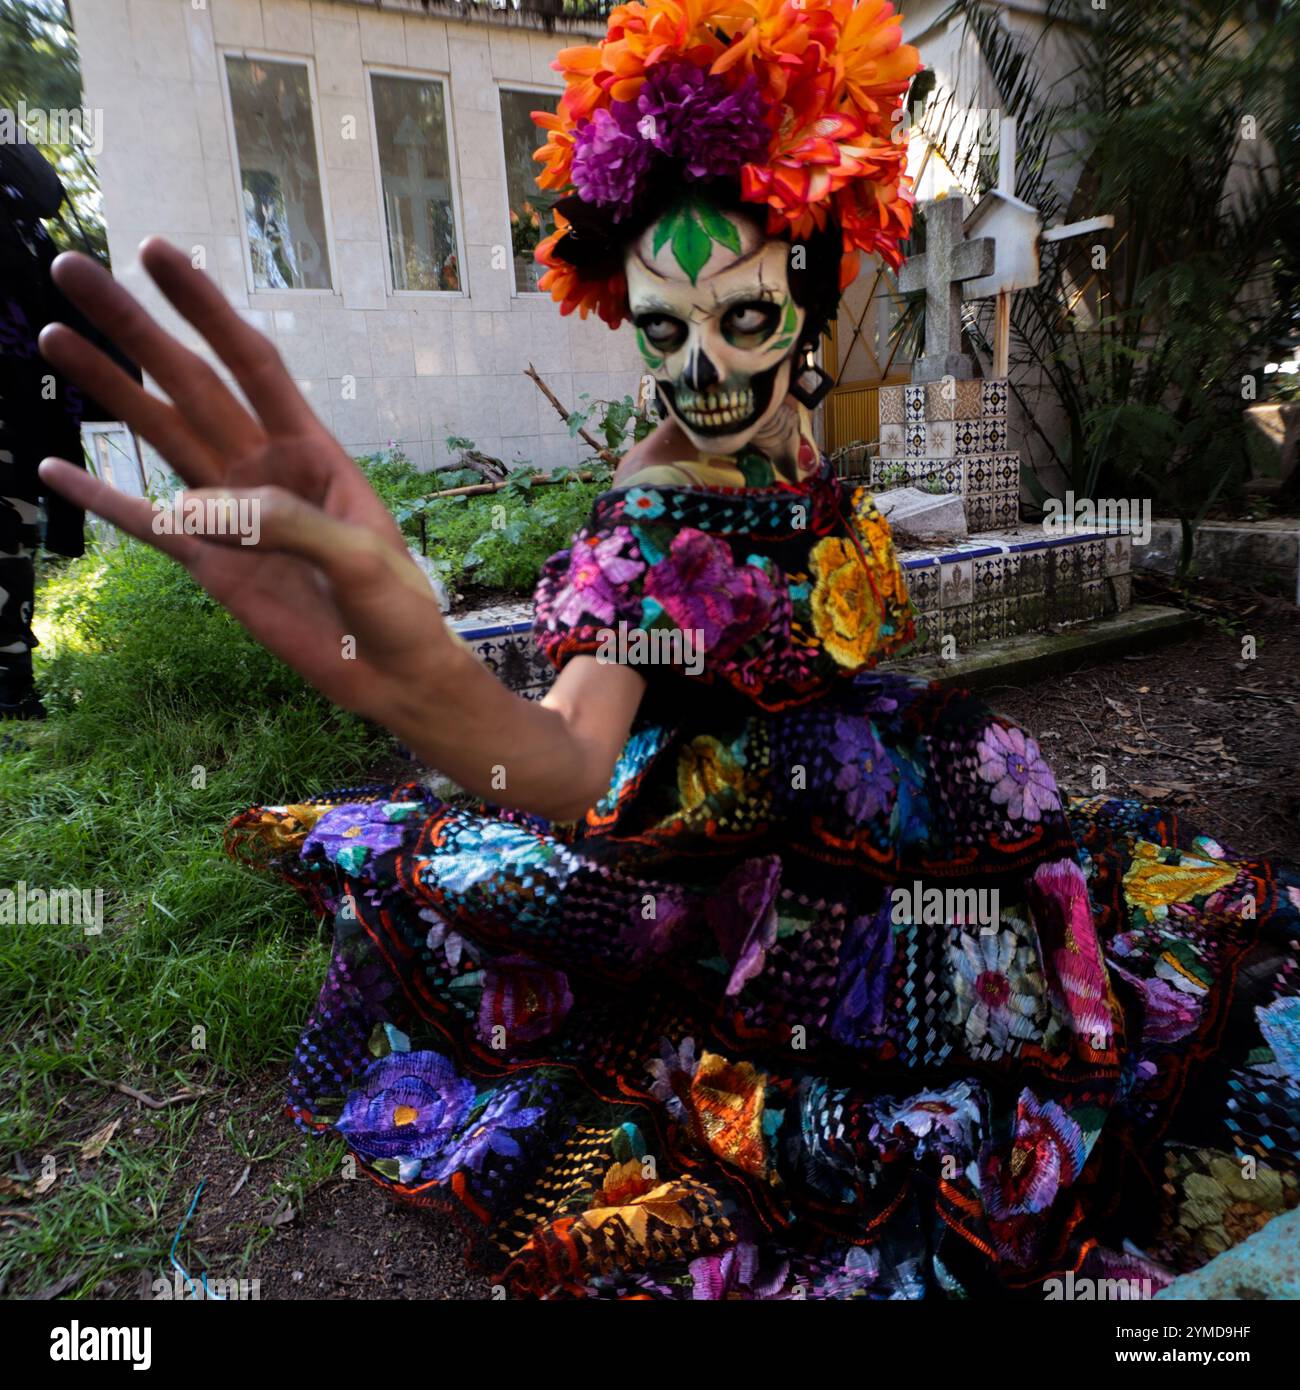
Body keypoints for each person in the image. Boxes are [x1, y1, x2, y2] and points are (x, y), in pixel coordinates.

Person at [36, 0, 1298, 1300]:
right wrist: (418, 672)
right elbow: (568, 751)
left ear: (810, 294)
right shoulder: (653, 516)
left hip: (873, 785)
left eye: (743, 320)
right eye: (664, 328)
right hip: (740, 840)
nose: (703, 366)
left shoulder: (795, 431)